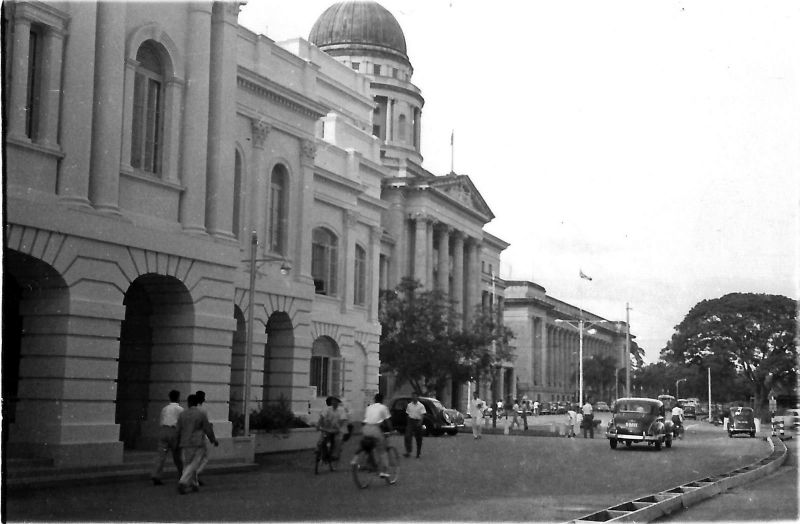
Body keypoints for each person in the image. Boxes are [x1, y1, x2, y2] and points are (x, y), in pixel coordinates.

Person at [176, 394, 218, 494]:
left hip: (185, 441)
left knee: (187, 463)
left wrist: (176, 441)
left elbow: (178, 429)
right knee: (195, 463)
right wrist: (213, 440)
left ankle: (194, 483)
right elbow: (207, 428)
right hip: (197, 441)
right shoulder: (201, 414)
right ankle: (183, 481)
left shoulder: (182, 414)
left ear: (188, 403)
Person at [151, 389, 184, 485]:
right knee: (177, 456)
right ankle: (182, 474)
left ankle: (156, 474)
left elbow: (161, 420)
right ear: (178, 398)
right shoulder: (180, 409)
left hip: (164, 430)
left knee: (161, 455)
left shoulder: (165, 408)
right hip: (174, 432)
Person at [355, 393, 393, 478]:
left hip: (365, 429)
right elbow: (388, 421)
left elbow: (366, 420)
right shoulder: (383, 407)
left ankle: (366, 463)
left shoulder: (369, 407)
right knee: (382, 450)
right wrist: (391, 430)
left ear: (374, 399)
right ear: (382, 400)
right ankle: (384, 471)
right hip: (375, 430)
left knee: (369, 445)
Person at [317, 395, 347, 461]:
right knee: (322, 440)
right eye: (332, 401)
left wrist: (338, 427)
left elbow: (342, 421)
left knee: (337, 440)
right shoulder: (327, 409)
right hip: (328, 429)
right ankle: (322, 453)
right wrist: (318, 425)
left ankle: (335, 455)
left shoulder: (341, 410)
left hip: (337, 429)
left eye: (335, 401)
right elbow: (322, 418)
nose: (333, 402)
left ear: (338, 402)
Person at [194, 390, 211, 486]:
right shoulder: (203, 410)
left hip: (190, 436)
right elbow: (205, 424)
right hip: (200, 436)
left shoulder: (191, 409)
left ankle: (193, 474)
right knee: (205, 458)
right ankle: (195, 474)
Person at [403, 392, 426, 458]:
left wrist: (420, 423)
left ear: (417, 397)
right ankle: (408, 451)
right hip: (410, 421)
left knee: (418, 438)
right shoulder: (409, 405)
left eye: (415, 396)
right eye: (412, 396)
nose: (413, 398)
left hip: (418, 421)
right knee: (407, 436)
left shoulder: (421, 406)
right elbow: (407, 414)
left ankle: (418, 452)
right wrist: (408, 423)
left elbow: (422, 415)